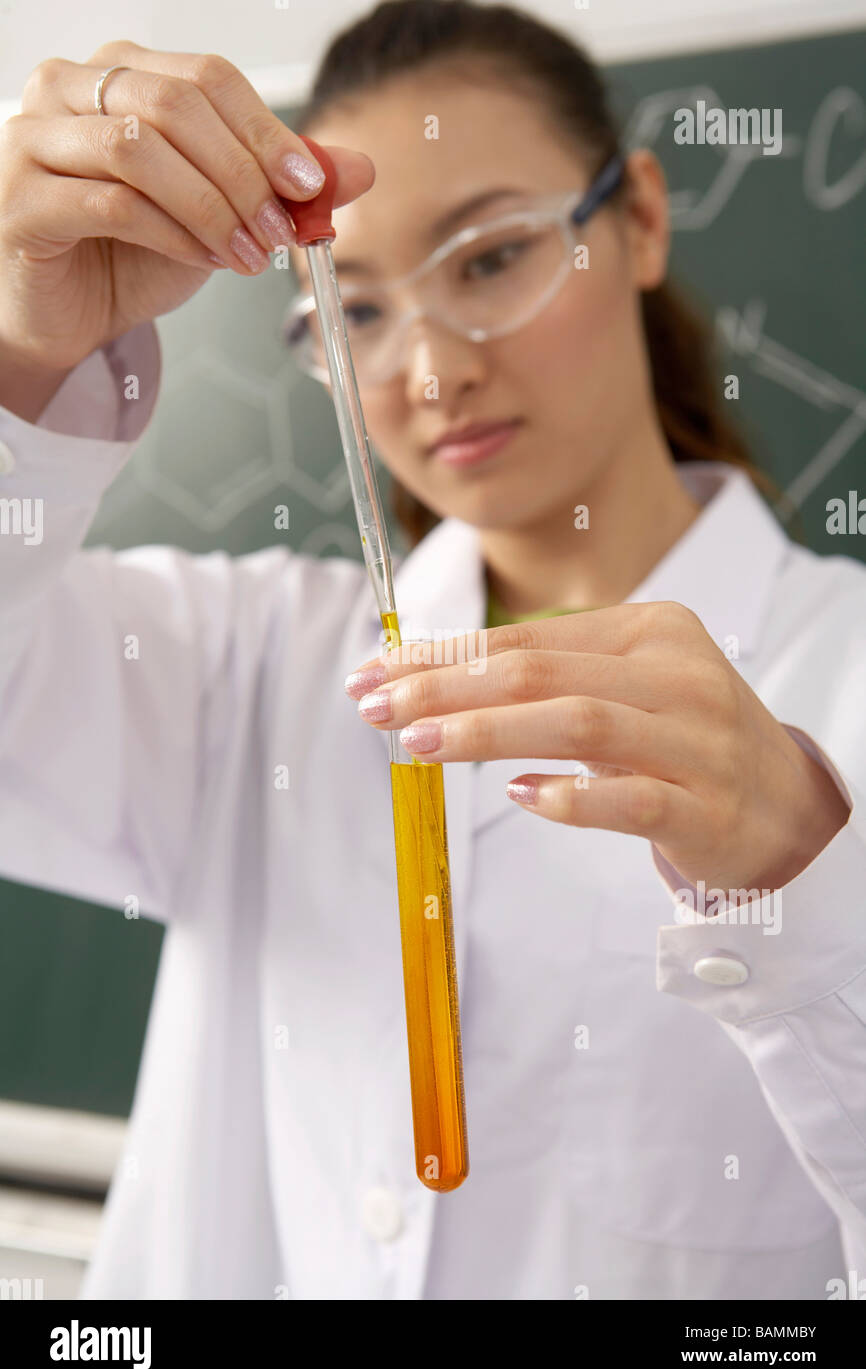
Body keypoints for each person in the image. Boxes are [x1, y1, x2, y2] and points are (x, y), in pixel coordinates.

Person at [0, 0, 863, 1301]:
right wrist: (21, 352)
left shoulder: (837, 686)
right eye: (352, 309)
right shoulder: (252, 663)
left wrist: (814, 892)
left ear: (635, 215)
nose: (426, 371)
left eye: (487, 257)